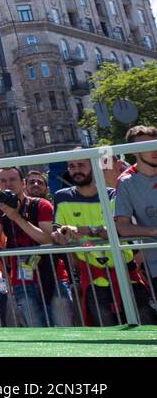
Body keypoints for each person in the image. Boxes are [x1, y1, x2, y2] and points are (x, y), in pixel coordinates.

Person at [54, 156, 156, 325]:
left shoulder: (113, 194)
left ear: (94, 167)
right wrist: (61, 234)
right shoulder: (61, 197)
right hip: (94, 279)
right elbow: (56, 232)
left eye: (81, 165)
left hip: (128, 274)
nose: (76, 170)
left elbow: (121, 229)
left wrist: (86, 230)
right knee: (107, 333)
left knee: (147, 325)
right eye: (71, 166)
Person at [0, 165, 55, 327]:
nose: (8, 184)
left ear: (23, 183)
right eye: (3, 181)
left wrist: (16, 217)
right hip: (22, 278)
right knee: (36, 328)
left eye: (12, 179)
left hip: (51, 273)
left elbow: (47, 240)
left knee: (63, 325)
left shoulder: (41, 205)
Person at [115, 124, 157, 295]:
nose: (154, 150)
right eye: (146, 146)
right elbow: (122, 226)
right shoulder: (126, 181)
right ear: (133, 151)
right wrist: (153, 231)